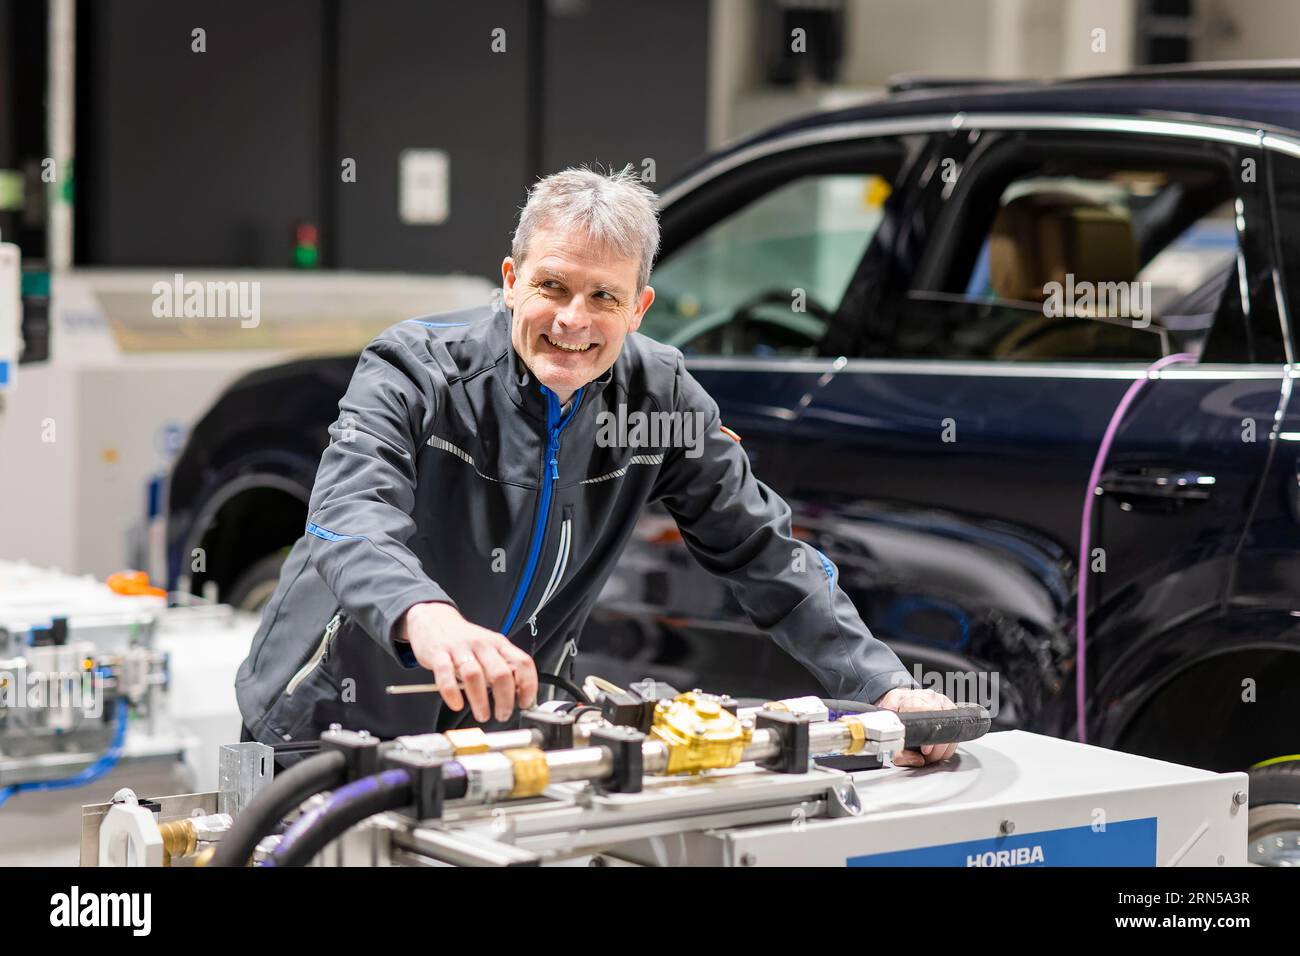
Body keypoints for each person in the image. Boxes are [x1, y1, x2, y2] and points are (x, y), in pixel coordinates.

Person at [235, 165, 956, 767]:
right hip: (327, 721)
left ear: (639, 306)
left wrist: (884, 687)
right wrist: (428, 619)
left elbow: (765, 555)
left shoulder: (659, 397)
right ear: (512, 280)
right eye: (552, 287)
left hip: (503, 733)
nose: (573, 320)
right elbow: (349, 516)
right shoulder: (414, 369)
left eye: (603, 296)